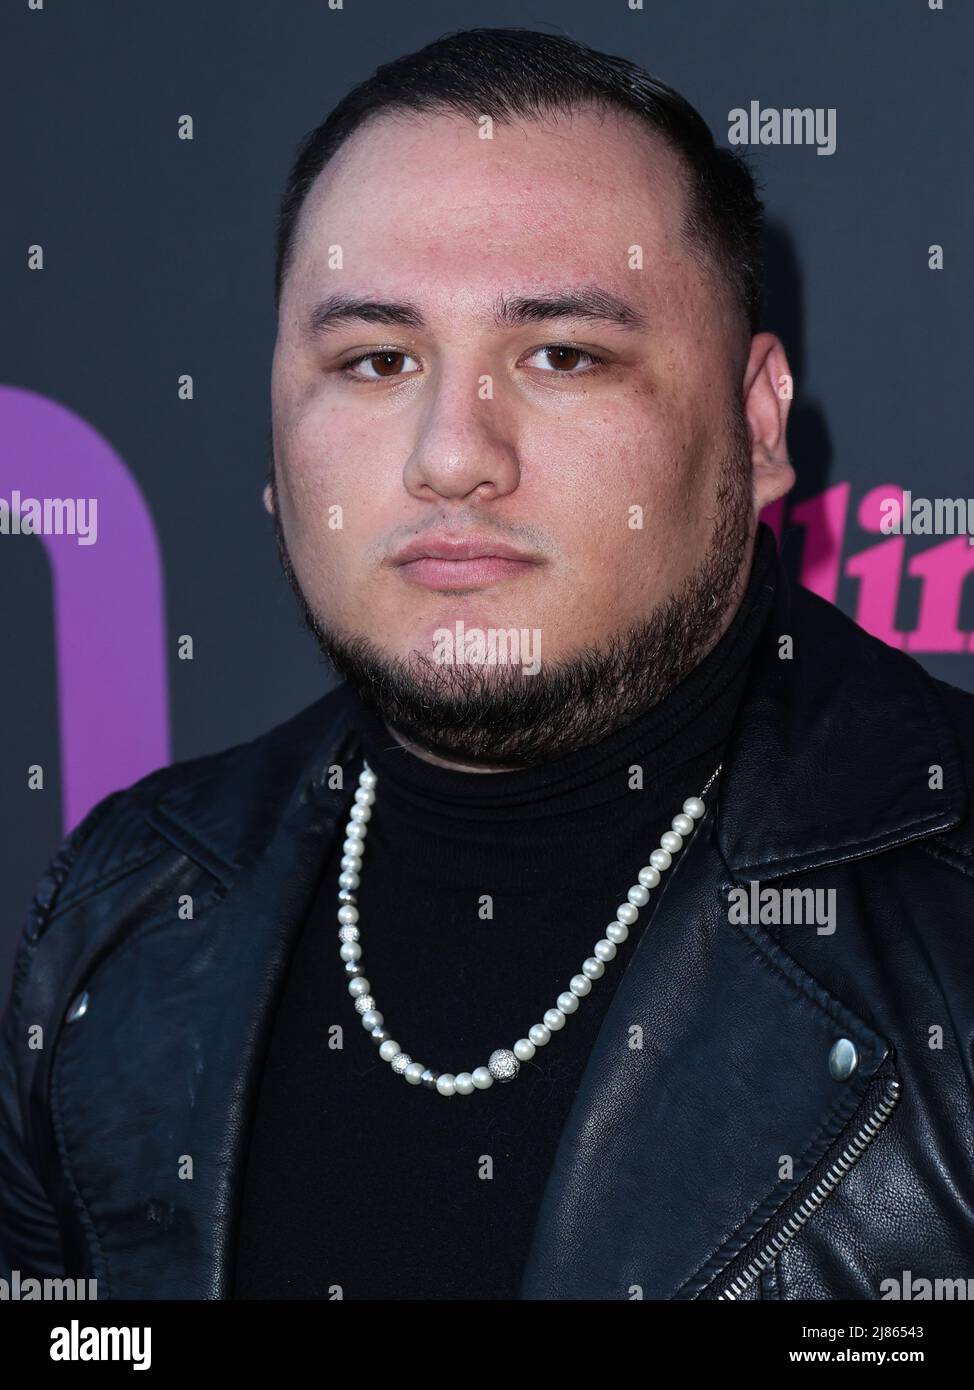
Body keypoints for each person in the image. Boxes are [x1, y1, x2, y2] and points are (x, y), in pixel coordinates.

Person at [2, 27, 973, 1302]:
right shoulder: (126, 901)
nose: (451, 454)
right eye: (375, 360)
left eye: (562, 355)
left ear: (756, 421)